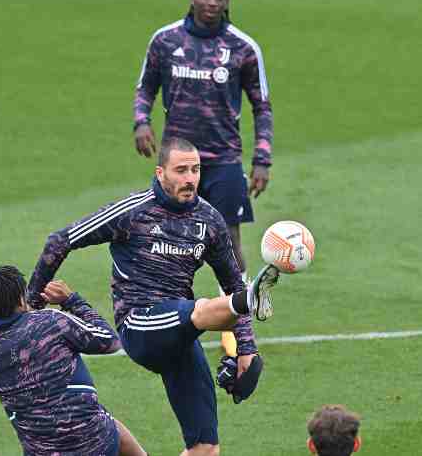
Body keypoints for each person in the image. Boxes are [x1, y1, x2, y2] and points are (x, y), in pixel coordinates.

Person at [27, 137, 280, 455]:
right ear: (161, 173)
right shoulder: (132, 212)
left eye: (195, 170)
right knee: (201, 310)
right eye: (181, 170)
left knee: (206, 448)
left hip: (180, 335)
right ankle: (251, 301)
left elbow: (232, 282)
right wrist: (32, 302)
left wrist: (246, 350)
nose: (190, 178)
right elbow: (60, 241)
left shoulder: (209, 221)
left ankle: (249, 301)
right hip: (139, 324)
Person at [131, 0, 275, 356]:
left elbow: (261, 105)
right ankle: (171, 314)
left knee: (228, 241)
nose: (212, 2)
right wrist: (141, 122)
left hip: (224, 160)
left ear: (227, 1)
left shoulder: (242, 47)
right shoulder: (166, 40)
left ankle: (241, 323)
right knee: (168, 238)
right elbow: (145, 88)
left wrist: (262, 159)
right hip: (177, 160)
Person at [0, 266, 147, 456]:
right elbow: (109, 341)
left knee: (106, 420)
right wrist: (71, 300)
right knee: (100, 420)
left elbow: (18, 338)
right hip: (93, 442)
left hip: (39, 449)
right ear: (21, 300)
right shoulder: (51, 321)